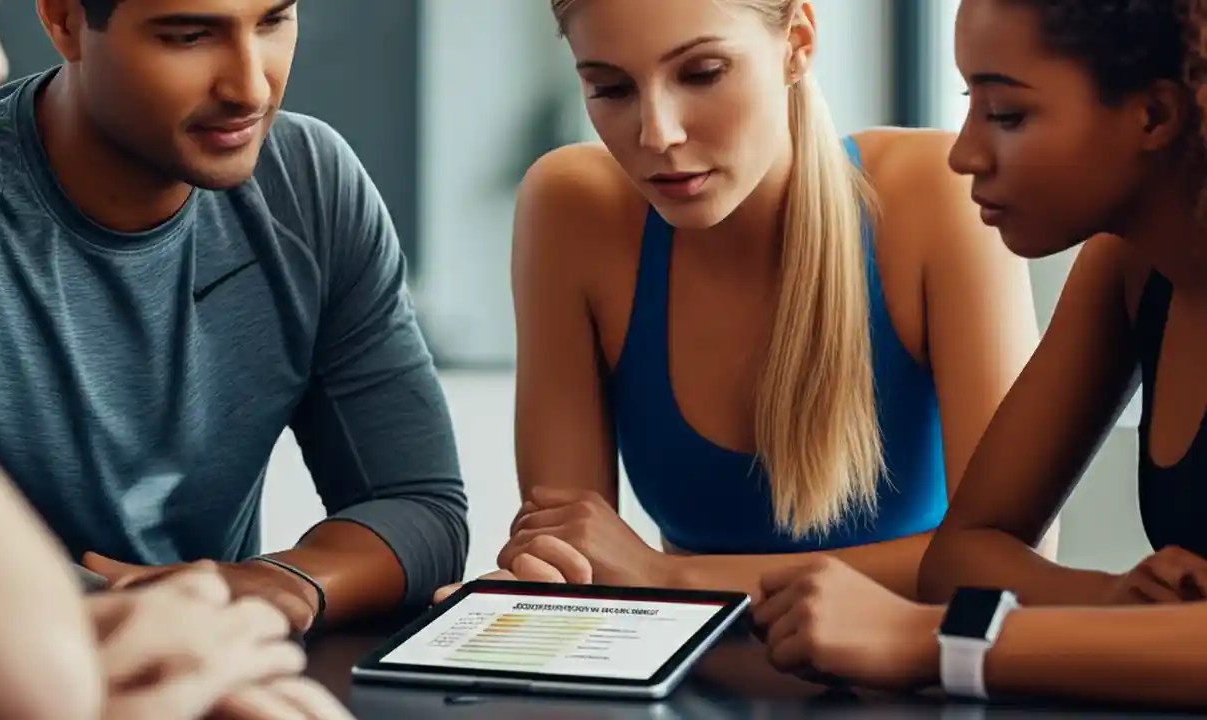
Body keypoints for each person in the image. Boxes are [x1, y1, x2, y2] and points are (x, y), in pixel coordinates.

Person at [462, 0, 1042, 602]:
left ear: (797, 44)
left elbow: (1012, 562)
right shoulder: (571, 208)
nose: (657, 134)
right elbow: (571, 555)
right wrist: (517, 596)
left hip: (913, 689)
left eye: (702, 73)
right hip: (678, 685)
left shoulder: (939, 198)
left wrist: (672, 577)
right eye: (611, 88)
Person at [0, 0, 468, 634]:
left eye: (272, 21)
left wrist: (280, 584)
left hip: (209, 671)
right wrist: (137, 616)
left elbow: (418, 508)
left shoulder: (308, 185)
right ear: (66, 22)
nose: (249, 87)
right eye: (188, 36)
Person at [750, 0, 1207, 709]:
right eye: (971, 102)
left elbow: (946, 605)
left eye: (1006, 114)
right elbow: (963, 554)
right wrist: (1117, 603)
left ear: (1154, 114)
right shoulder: (1126, 269)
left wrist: (934, 642)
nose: (963, 153)